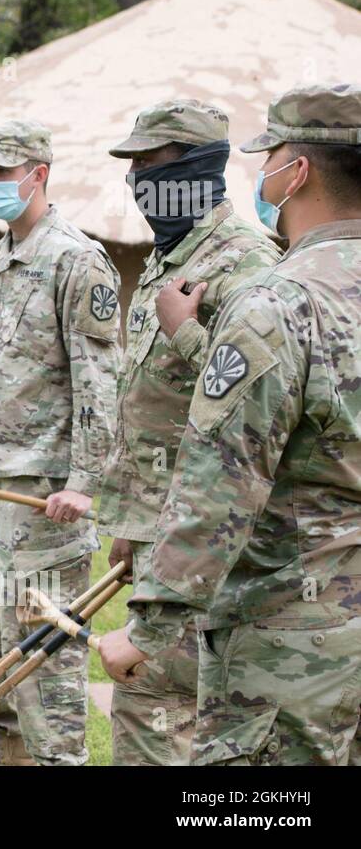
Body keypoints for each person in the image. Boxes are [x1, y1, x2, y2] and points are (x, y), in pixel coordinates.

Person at [99, 83, 361, 766]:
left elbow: (226, 476)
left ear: (296, 171)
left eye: (268, 156)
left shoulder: (277, 298)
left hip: (291, 628)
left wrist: (150, 625)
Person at [96, 99, 280, 765]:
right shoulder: (166, 257)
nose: (139, 177)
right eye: (135, 164)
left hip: (209, 534)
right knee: (155, 703)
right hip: (158, 523)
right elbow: (152, 405)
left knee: (164, 708)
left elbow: (262, 402)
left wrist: (187, 333)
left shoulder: (249, 264)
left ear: (199, 166)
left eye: (153, 162)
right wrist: (130, 520)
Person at [0, 120, 122, 765]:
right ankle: (12, 757)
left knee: (44, 643)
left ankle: (58, 761)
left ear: (38, 175)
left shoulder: (77, 260)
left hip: (44, 494)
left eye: (2, 173)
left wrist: (84, 480)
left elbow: (98, 379)